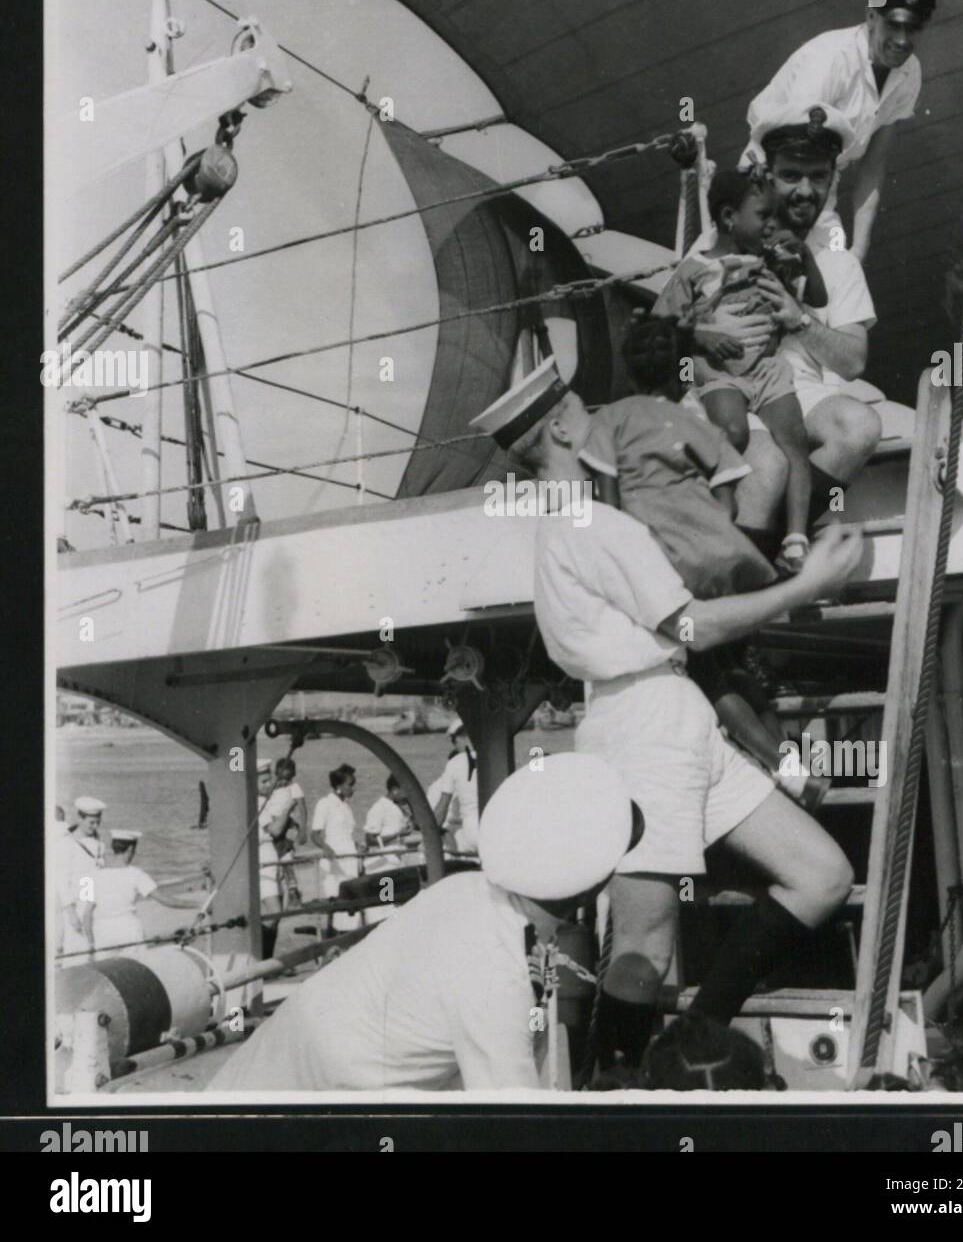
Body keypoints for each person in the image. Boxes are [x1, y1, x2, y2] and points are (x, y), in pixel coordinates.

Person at [470, 357, 860, 1077]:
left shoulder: (582, 522)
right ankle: (620, 1096)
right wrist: (806, 584)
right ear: (561, 426)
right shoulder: (591, 525)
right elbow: (692, 629)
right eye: (587, 410)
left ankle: (694, 1039)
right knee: (643, 950)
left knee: (823, 874)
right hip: (645, 729)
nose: (604, 418)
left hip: (675, 720)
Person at [209, 754, 642, 1092]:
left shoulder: (466, 890)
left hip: (272, 1067)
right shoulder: (497, 973)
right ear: (592, 886)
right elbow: (514, 1124)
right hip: (306, 1108)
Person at [703, 104, 883, 526]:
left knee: (859, 427)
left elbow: (853, 362)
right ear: (766, 175)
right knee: (767, 467)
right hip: (727, 391)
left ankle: (781, 547)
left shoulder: (838, 265)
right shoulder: (720, 246)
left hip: (798, 393)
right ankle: (768, 572)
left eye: (818, 177)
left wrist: (799, 318)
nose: (805, 191)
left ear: (832, 179)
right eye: (791, 176)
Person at [652, 169, 826, 573]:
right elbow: (660, 327)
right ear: (730, 217)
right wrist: (701, 337)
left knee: (795, 442)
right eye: (764, 216)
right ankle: (710, 515)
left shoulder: (772, 261)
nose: (773, 225)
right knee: (734, 433)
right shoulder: (694, 269)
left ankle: (795, 541)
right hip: (719, 371)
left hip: (765, 369)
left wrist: (806, 256)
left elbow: (817, 296)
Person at [743, 0, 955, 259]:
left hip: (819, 194)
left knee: (840, 273)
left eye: (913, 28)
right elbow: (792, 156)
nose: (902, 39)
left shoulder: (910, 72)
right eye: (893, 25)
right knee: (762, 281)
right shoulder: (831, 59)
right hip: (770, 186)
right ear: (871, 17)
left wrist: (859, 248)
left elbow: (874, 163)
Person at [579, 318, 776, 597]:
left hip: (651, 558)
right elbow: (727, 509)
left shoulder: (609, 419)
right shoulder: (701, 426)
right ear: (679, 374)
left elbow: (608, 505)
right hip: (711, 560)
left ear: (630, 375)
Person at [87, 830, 202, 955]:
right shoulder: (136, 874)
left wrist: (90, 943)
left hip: (102, 931)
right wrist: (198, 904)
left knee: (106, 972)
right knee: (134, 971)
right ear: (131, 849)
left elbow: (86, 914)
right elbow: (166, 900)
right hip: (128, 929)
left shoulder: (94, 875)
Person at [310, 765, 361, 935]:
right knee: (336, 902)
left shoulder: (346, 806)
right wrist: (326, 848)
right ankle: (333, 939)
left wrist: (357, 845)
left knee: (350, 906)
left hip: (350, 860)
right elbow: (315, 835)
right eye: (350, 784)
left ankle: (347, 939)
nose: (352, 788)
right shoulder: (325, 804)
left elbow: (347, 834)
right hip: (335, 861)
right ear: (339, 786)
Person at [57, 796, 106, 961]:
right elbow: (62, 881)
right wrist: (71, 913)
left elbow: (96, 875)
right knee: (77, 953)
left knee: (96, 951)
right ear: (80, 818)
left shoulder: (99, 843)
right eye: (91, 822)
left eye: (98, 822)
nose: (95, 826)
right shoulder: (67, 844)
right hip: (77, 905)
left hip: (94, 903)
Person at [256, 761, 294, 961]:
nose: (268, 783)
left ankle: (268, 961)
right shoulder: (255, 804)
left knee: (279, 915)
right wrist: (289, 808)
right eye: (263, 781)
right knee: (274, 913)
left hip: (274, 860)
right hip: (263, 861)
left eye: (268, 779)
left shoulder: (267, 802)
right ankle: (262, 959)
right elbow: (275, 830)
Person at [429, 718, 479, 855]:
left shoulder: (456, 763)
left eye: (453, 741)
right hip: (496, 825)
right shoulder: (495, 756)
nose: (454, 746)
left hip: (472, 829)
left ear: (460, 738)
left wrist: (430, 834)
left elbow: (442, 807)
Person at [268, 757, 307, 908]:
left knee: (285, 852)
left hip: (291, 825)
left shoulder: (294, 787)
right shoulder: (272, 787)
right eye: (281, 778)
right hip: (276, 824)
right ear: (276, 773)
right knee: (282, 855)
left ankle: (292, 889)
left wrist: (303, 830)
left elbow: (302, 808)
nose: (284, 781)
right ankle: (291, 889)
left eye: (288, 778)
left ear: (293, 775)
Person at [363, 775, 412, 871]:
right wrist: (398, 835)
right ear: (395, 790)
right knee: (388, 886)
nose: (408, 794)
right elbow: (369, 840)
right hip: (386, 861)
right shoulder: (379, 807)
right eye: (406, 790)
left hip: (399, 859)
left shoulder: (398, 807)